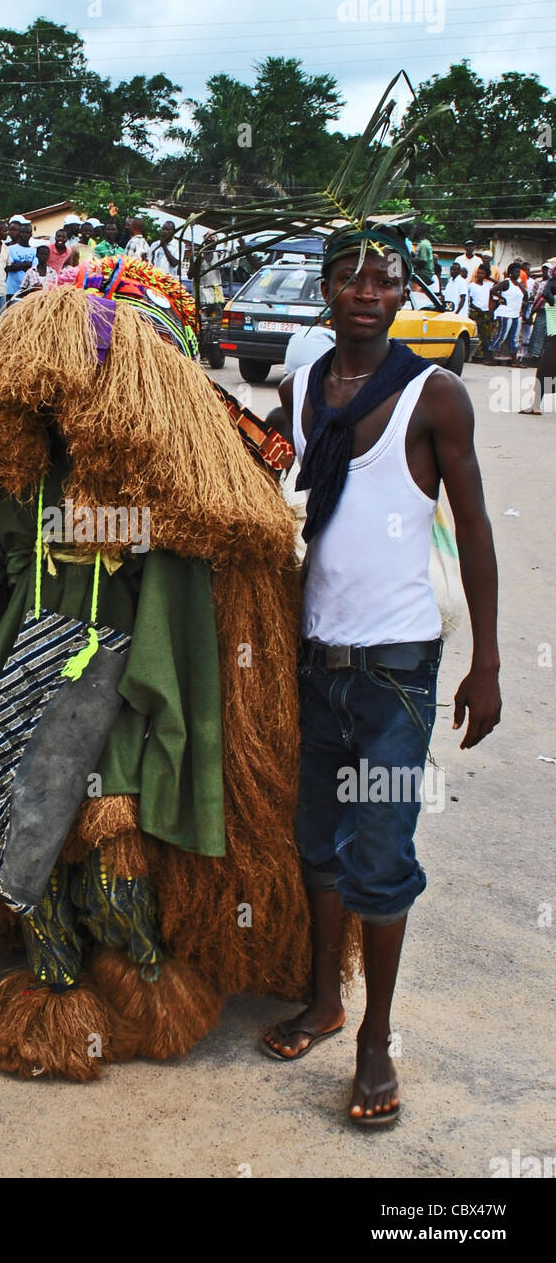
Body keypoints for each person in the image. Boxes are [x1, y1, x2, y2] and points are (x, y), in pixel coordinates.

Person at [0, 256, 309, 1083]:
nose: (72, 399)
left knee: (111, 862)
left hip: (125, 695)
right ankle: (54, 989)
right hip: (17, 680)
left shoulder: (164, 487)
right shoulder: (13, 476)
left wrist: (132, 708)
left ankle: (146, 981)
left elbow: (174, 621)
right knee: (20, 839)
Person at [261, 226, 500, 1128]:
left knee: (381, 859)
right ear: (324, 290)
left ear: (404, 295)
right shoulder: (297, 392)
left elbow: (473, 525)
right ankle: (323, 1001)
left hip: (397, 669)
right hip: (312, 660)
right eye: (350, 278)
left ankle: (373, 1041)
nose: (366, 290)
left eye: (384, 279)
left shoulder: (434, 397)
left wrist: (485, 660)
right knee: (316, 844)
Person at [521, 277, 556, 414]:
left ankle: (535, 407)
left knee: (543, 373)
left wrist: (550, 280)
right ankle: (535, 407)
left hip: (554, 341)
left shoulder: (551, 300)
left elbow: (545, 292)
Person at [489, 262, 526, 366]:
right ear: (510, 273)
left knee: (514, 338)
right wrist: (502, 298)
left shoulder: (519, 283)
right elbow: (493, 290)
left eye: (519, 271)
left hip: (516, 314)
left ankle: (514, 360)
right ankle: (491, 357)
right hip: (505, 313)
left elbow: (526, 296)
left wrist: (520, 285)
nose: (518, 273)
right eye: (516, 271)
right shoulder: (506, 282)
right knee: (501, 335)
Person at [468, 260, 495, 361]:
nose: (479, 275)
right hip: (475, 312)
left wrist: (489, 278)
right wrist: (477, 309)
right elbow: (469, 301)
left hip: (485, 312)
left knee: (486, 335)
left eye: (482, 273)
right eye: (478, 272)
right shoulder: (471, 286)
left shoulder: (488, 286)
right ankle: (474, 355)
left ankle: (484, 355)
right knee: (476, 334)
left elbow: (498, 284)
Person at [5, 219, 36, 300]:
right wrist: (26, 265)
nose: (24, 235)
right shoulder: (10, 249)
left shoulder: (35, 251)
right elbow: (10, 267)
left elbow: (34, 269)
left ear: (31, 234)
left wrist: (18, 265)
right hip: (11, 289)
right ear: (19, 233)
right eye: (22, 232)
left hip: (28, 289)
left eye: (27, 232)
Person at [411, 223, 434, 287]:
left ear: (419, 231)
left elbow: (423, 262)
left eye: (415, 230)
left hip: (423, 275)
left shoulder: (424, 244)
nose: (413, 232)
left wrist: (409, 259)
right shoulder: (422, 243)